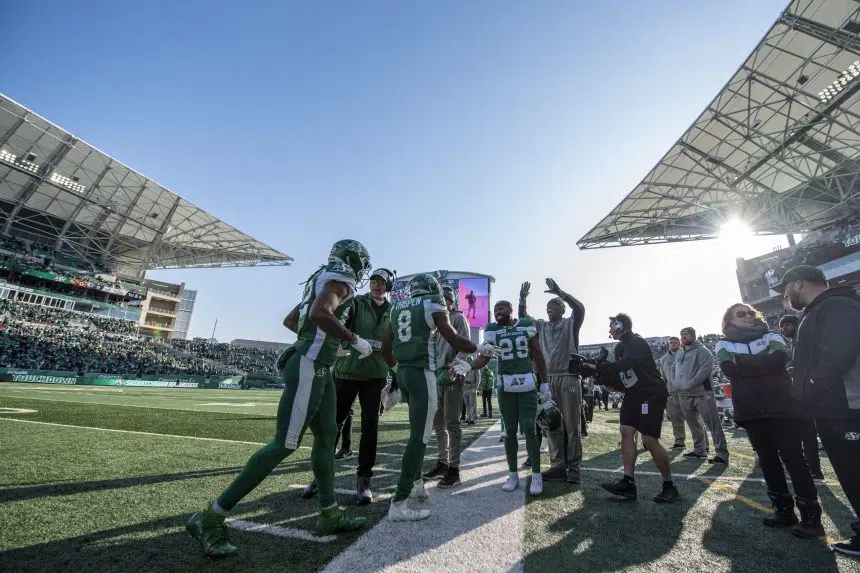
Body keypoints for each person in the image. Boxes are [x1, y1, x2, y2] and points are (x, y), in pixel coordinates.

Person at [186, 240, 373, 557]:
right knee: (284, 444)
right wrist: (351, 339)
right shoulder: (341, 280)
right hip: (310, 368)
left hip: (322, 368)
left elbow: (293, 319)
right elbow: (318, 312)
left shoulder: (323, 277)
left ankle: (329, 513)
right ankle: (211, 516)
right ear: (353, 260)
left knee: (327, 438)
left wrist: (328, 343)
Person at [381, 273, 489, 521]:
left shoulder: (396, 307)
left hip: (405, 373)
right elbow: (454, 338)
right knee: (419, 439)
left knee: (417, 432)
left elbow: (386, 349)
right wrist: (480, 349)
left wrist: (397, 370)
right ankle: (399, 502)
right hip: (423, 374)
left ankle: (417, 484)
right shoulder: (431, 304)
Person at [715, 303, 823, 538]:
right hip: (752, 412)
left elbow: (779, 362)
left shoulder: (773, 335)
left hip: (782, 408)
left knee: (795, 460)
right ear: (729, 321)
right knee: (768, 462)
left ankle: (811, 517)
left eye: (750, 313)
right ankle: (783, 511)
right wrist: (763, 364)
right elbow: (730, 370)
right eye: (740, 314)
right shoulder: (723, 343)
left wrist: (744, 363)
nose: (747, 317)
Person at [778, 265, 860, 557]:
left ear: (799, 283)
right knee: (849, 472)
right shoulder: (821, 309)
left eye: (785, 288)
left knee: (855, 471)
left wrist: (808, 390)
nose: (784, 295)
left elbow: (836, 356)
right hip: (834, 406)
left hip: (846, 406)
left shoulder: (836, 305)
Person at [302, 268, 396, 505]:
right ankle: (320, 475)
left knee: (370, 426)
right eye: (374, 281)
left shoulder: (393, 311)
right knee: (334, 424)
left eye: (382, 282)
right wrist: (352, 340)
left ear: (389, 286)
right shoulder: (356, 302)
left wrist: (393, 366)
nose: (376, 285)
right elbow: (336, 325)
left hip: (375, 373)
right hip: (348, 370)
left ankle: (364, 478)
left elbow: (394, 342)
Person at [578, 313, 680, 503]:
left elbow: (626, 364)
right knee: (625, 431)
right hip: (634, 395)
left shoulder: (637, 342)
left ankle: (669, 485)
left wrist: (598, 367)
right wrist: (605, 379)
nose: (609, 330)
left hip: (650, 394)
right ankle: (628, 482)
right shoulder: (618, 347)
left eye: (611, 326)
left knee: (649, 440)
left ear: (620, 325)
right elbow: (623, 377)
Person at [455, 300, 549, 495]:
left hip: (527, 383)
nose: (498, 311)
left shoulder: (525, 325)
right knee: (510, 431)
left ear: (511, 310)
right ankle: (513, 474)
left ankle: (537, 475)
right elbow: (485, 357)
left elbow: (538, 355)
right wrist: (469, 366)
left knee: (530, 428)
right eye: (496, 308)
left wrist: (545, 382)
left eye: (502, 308)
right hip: (505, 384)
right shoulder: (491, 330)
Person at [518, 278, 585, 485]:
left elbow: (580, 308)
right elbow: (523, 317)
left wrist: (560, 292)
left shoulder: (570, 323)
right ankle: (557, 465)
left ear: (562, 309)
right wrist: (522, 299)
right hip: (548, 380)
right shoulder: (541, 326)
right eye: (548, 306)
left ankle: (573, 468)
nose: (549, 309)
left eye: (554, 306)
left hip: (568, 377)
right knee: (552, 423)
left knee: (572, 426)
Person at [423, 286, 471, 489]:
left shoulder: (458, 318)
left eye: (448, 299)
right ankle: (443, 463)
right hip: (434, 375)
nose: (446, 302)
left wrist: (455, 367)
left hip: (451, 374)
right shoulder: (433, 320)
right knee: (438, 424)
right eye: (442, 299)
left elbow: (466, 345)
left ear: (453, 301)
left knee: (452, 423)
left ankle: (454, 469)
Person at [674, 327, 728, 464]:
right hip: (683, 394)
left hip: (702, 393)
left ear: (693, 335)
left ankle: (722, 453)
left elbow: (705, 370)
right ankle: (700, 450)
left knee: (713, 424)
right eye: (681, 334)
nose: (683, 337)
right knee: (694, 425)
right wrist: (676, 385)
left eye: (686, 334)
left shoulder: (703, 351)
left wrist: (690, 383)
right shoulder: (680, 353)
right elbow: (676, 371)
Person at [780, 314, 823, 480]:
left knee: (813, 433)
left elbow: (810, 363)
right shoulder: (792, 342)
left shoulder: (803, 340)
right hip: (803, 394)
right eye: (782, 326)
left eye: (788, 325)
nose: (784, 329)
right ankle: (814, 469)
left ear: (797, 325)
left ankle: (815, 469)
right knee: (808, 433)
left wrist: (795, 369)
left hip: (813, 392)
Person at [657, 336, 686, 449]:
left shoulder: (686, 355)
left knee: (694, 419)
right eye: (671, 342)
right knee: (675, 419)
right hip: (672, 392)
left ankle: (702, 445)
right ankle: (679, 441)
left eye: (675, 342)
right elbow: (663, 377)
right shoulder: (663, 359)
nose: (673, 344)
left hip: (687, 391)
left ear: (679, 343)